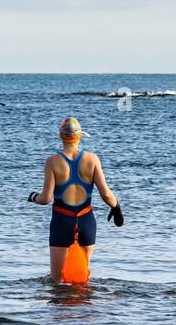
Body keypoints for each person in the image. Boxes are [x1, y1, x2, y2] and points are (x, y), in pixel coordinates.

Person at [28, 116, 123, 281]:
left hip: (61, 222)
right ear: (80, 136)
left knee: (56, 279)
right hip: (86, 222)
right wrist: (116, 208)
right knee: (81, 277)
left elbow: (46, 198)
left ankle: (58, 305)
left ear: (60, 136)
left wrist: (33, 197)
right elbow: (106, 193)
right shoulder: (92, 159)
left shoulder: (52, 162)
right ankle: (85, 307)